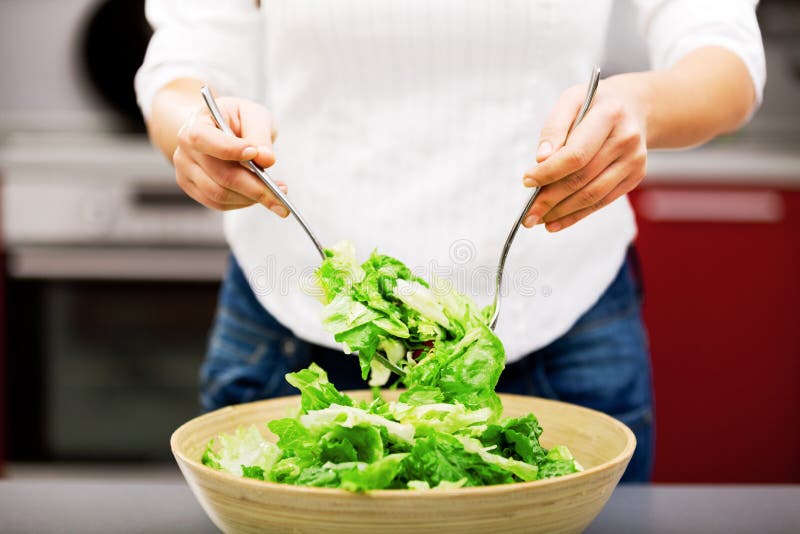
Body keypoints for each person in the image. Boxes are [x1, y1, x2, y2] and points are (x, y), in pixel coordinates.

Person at [136, 0, 765, 482]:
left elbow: (723, 55)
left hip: (563, 321)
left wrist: (641, 105)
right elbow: (186, 60)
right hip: (288, 321)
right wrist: (194, 126)